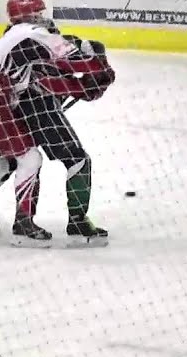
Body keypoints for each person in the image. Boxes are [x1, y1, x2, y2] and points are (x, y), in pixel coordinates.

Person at [0, 0, 115, 246]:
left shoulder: (11, 37)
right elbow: (83, 62)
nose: (45, 18)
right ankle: (33, 224)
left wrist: (79, 85)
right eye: (41, 13)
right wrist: (100, 64)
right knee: (33, 159)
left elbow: (40, 77)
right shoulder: (35, 34)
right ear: (34, 16)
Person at [15, 24, 114, 244]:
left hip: (12, 109)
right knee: (77, 159)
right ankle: (77, 222)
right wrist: (95, 75)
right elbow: (64, 82)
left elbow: (83, 83)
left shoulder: (29, 48)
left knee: (16, 162)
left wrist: (92, 81)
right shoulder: (54, 54)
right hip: (40, 109)